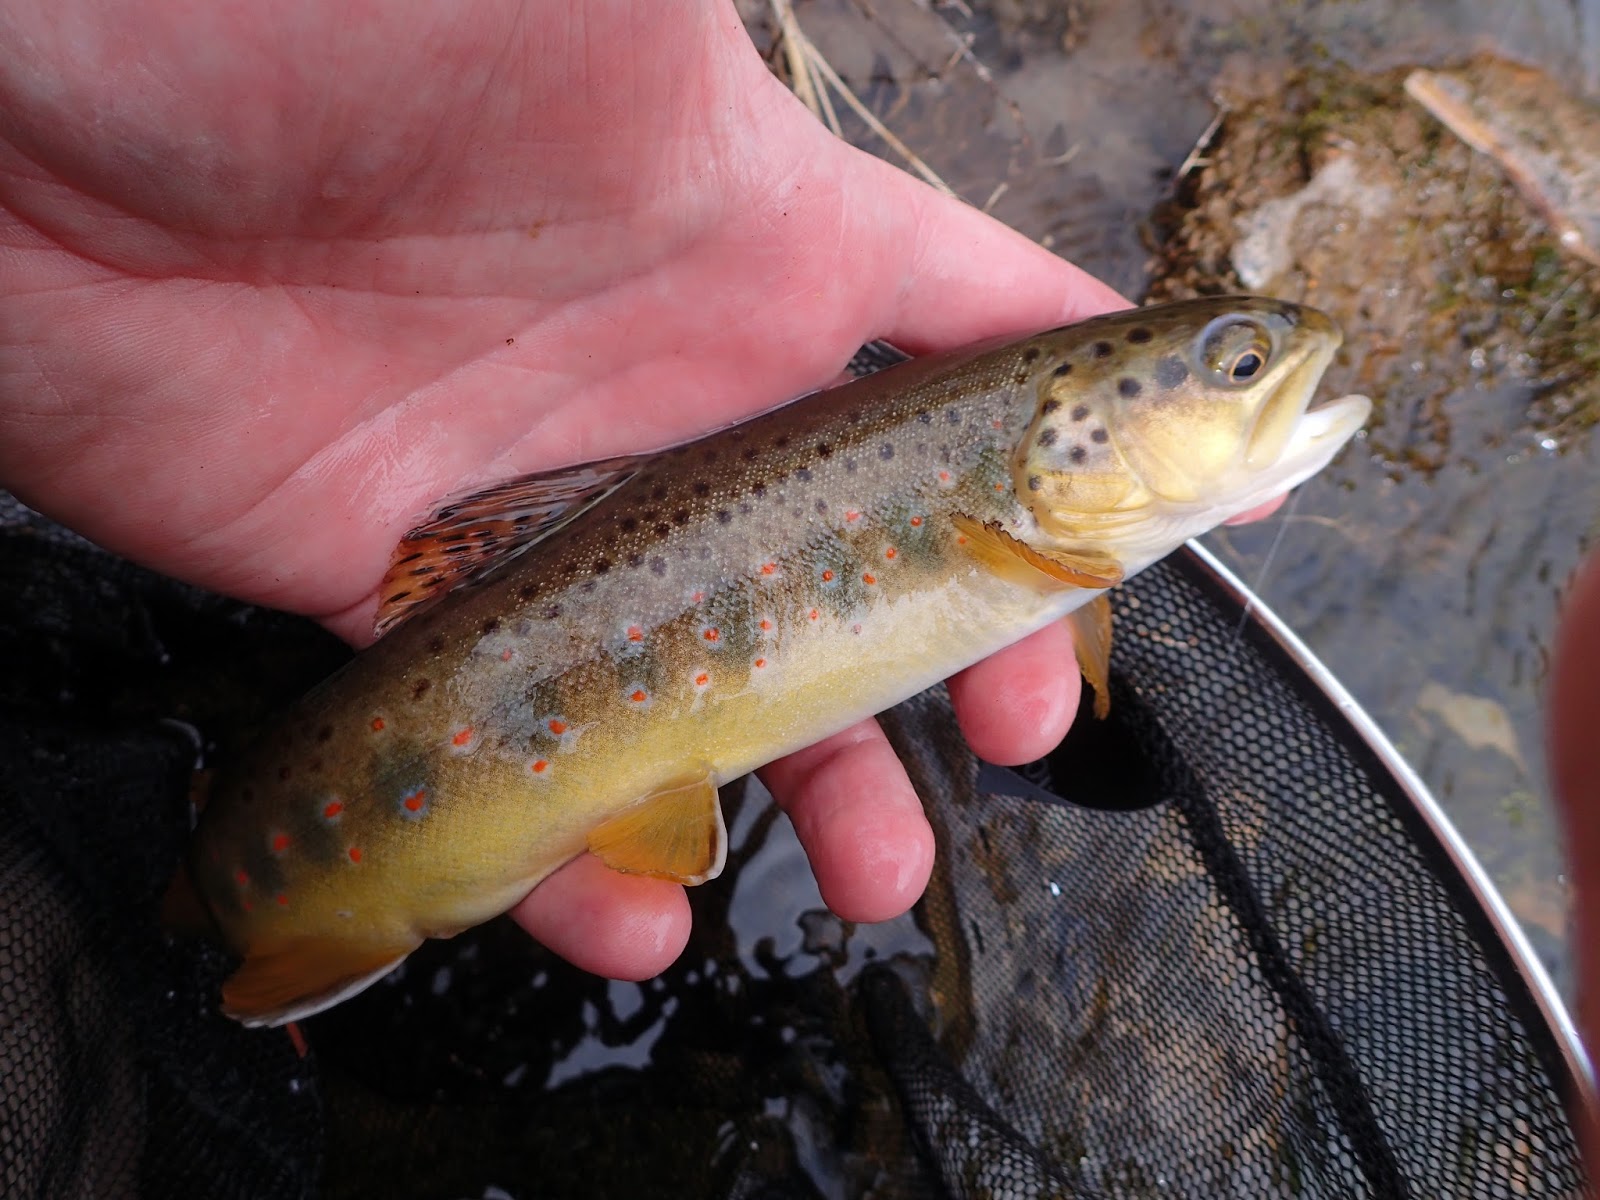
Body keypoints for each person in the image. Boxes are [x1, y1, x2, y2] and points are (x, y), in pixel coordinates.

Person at [0, 3, 1270, 982]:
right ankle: (210, 907)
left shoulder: (1045, 539)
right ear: (1066, 433)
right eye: (1236, 369)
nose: (1259, 380)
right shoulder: (1030, 531)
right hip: (302, 812)